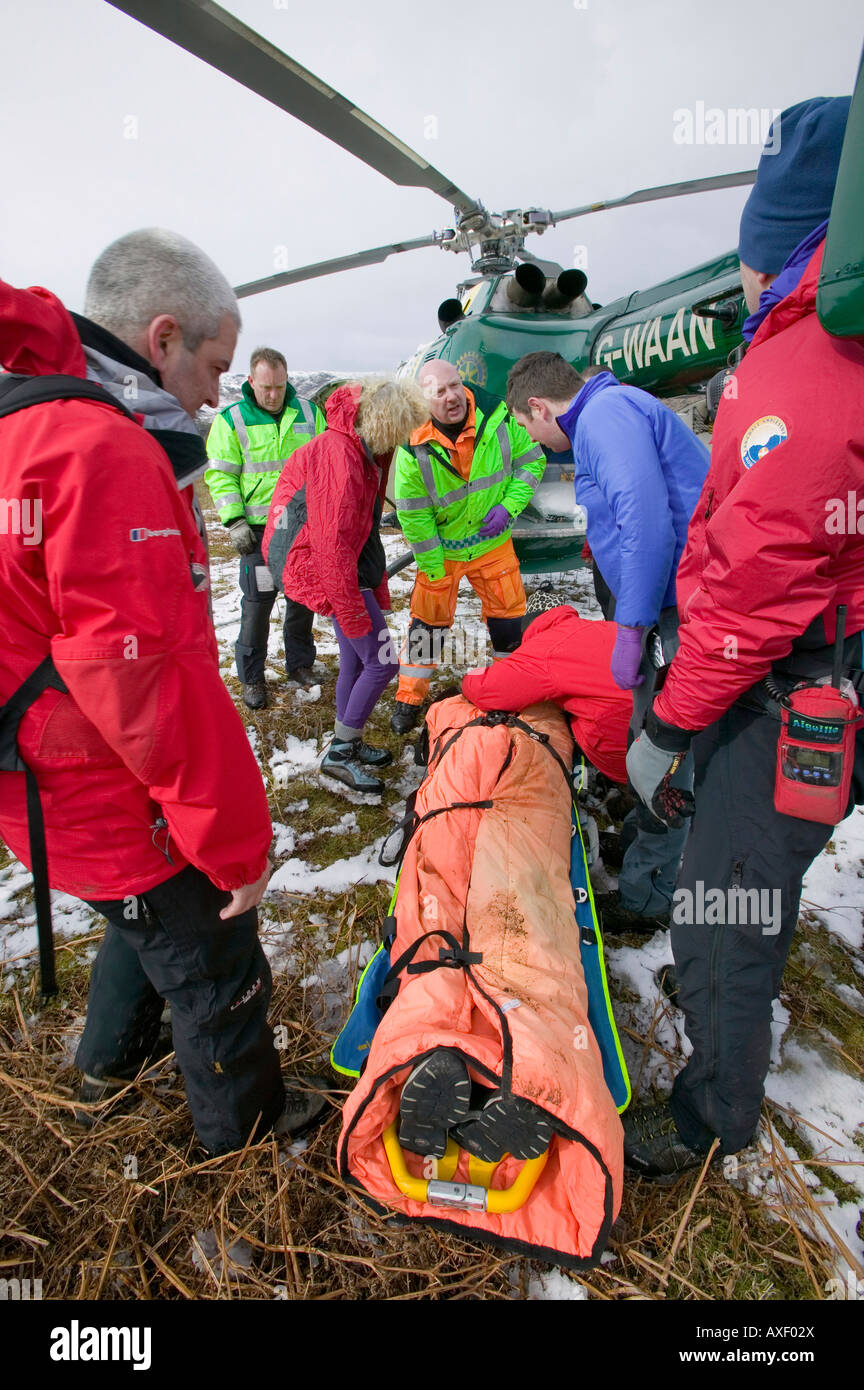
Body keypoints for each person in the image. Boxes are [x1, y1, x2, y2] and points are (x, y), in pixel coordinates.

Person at [0, 229, 327, 1155]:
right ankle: (247, 1142)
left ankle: (102, 1073)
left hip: (39, 772)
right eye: (216, 367)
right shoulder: (102, 449)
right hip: (95, 784)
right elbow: (145, 684)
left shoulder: (26, 416)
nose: (218, 394)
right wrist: (233, 846)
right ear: (162, 338)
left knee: (137, 918)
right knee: (217, 963)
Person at [623, 95, 861, 1177]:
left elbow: (759, 582)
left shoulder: (806, 359)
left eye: (753, 252)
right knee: (761, 865)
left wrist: (671, 721)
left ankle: (712, 1109)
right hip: (834, 665)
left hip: (788, 684)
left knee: (724, 901)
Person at [504, 351, 709, 930]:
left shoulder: (604, 419)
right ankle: (645, 846)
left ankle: (649, 897)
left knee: (666, 745)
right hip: (668, 604)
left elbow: (645, 522)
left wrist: (634, 625)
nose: (531, 436)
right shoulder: (606, 412)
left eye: (525, 424)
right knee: (648, 730)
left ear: (539, 407)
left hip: (674, 609)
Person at [264, 379, 427, 794]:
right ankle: (339, 754)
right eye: (399, 428)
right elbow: (331, 544)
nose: (402, 438)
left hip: (345, 564)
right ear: (381, 421)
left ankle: (347, 741)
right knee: (383, 661)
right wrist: (351, 609)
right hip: (323, 565)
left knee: (357, 660)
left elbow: (361, 527)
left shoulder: (364, 446)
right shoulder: (341, 455)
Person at [389, 359, 546, 734]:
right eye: (439, 392)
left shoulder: (500, 418)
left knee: (509, 621)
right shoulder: (412, 447)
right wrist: (432, 564)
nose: (452, 396)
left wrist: (509, 506)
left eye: (455, 385)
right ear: (424, 401)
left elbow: (531, 462)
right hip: (443, 551)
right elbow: (413, 514)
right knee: (428, 625)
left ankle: (509, 690)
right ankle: (409, 698)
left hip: (493, 545)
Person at [205, 346, 326, 709]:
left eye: (279, 386)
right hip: (258, 535)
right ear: (250, 382)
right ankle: (253, 677)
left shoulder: (308, 413)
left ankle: (300, 664)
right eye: (265, 388)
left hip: (301, 532)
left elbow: (324, 466)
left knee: (302, 601)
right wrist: (235, 521)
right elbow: (221, 477)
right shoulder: (230, 421)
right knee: (258, 605)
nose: (273, 395)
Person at [461, 585, 631, 789]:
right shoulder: (601, 627)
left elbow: (487, 690)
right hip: (664, 725)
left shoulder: (545, 649)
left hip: (625, 745)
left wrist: (470, 676)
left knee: (569, 717)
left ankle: (621, 783)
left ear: (530, 624)